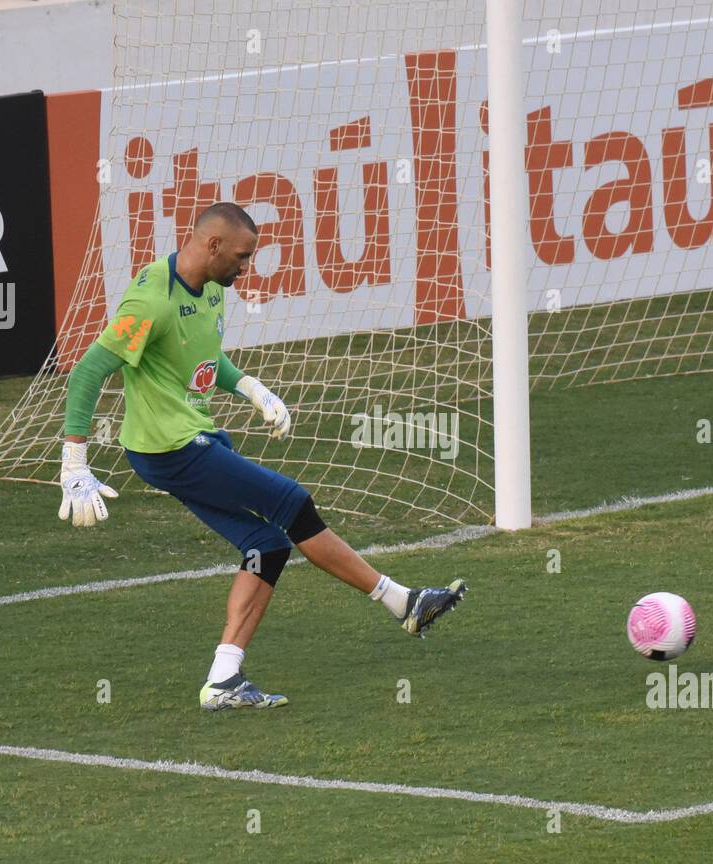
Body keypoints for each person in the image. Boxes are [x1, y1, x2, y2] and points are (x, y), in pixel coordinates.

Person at [57, 202, 467, 711]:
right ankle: (403, 602)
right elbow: (88, 371)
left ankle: (222, 681)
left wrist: (249, 386)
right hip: (170, 448)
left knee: (267, 546)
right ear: (212, 245)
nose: (246, 267)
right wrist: (75, 464)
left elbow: (202, 357)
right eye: (242, 256)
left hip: (192, 437)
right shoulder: (150, 302)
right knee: (293, 503)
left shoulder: (209, 287)